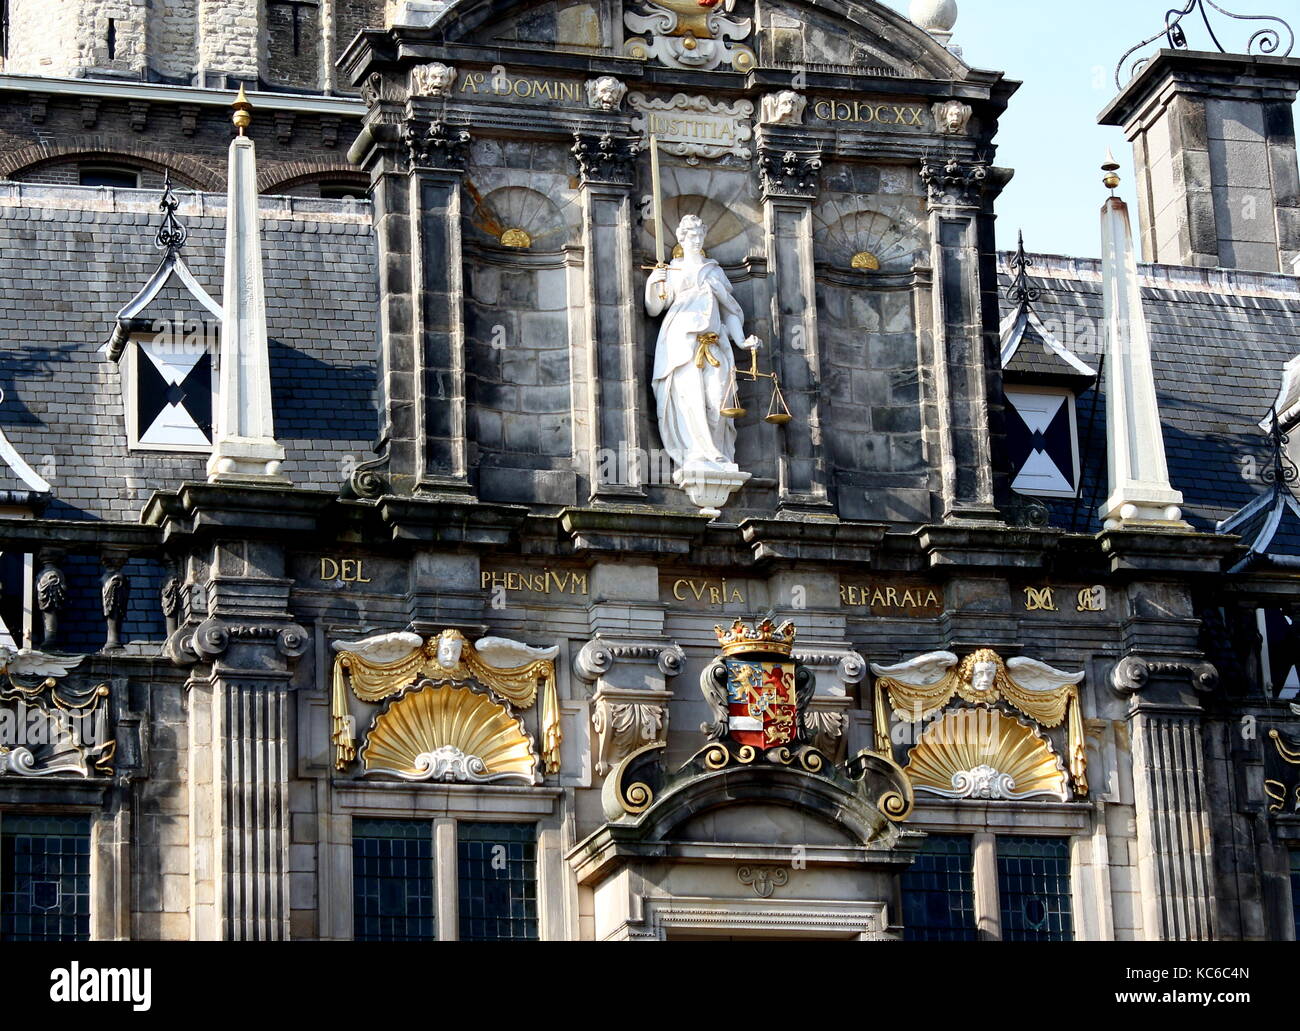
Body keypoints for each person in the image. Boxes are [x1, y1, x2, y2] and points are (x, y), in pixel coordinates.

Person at [645, 214, 761, 479]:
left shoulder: (714, 270)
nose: (696, 240)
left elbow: (730, 310)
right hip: (681, 343)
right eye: (691, 236)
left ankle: (716, 452)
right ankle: (695, 453)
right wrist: (655, 281)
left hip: (715, 343)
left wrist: (741, 340)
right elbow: (654, 309)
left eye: (700, 235)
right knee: (689, 398)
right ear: (681, 239)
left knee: (717, 397)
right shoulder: (672, 269)